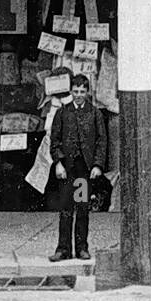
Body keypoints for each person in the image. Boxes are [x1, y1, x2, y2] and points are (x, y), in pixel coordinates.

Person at [47, 74, 107, 262]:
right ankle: (63, 249)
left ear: (87, 92)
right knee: (65, 209)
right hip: (67, 170)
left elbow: (101, 141)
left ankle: (81, 248)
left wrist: (97, 165)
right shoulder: (62, 113)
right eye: (75, 91)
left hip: (83, 171)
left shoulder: (94, 113)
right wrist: (58, 163)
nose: (79, 95)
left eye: (82, 91)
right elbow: (54, 140)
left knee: (82, 208)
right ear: (71, 92)